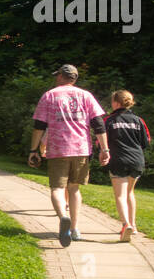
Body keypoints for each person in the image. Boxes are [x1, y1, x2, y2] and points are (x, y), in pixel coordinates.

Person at [28, 64, 109, 247]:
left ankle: (63, 216)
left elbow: (39, 126)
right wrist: (105, 149)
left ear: (60, 77)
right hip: (81, 149)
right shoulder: (86, 96)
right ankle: (74, 228)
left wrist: (34, 150)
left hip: (58, 149)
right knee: (74, 189)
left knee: (57, 188)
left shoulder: (49, 95)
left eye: (57, 75)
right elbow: (98, 125)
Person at [104, 89, 151, 241]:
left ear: (116, 103)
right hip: (137, 160)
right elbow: (145, 142)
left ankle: (126, 224)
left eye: (112, 101)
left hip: (118, 160)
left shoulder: (109, 120)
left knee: (120, 195)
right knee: (130, 193)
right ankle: (134, 225)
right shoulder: (138, 120)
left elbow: (102, 141)